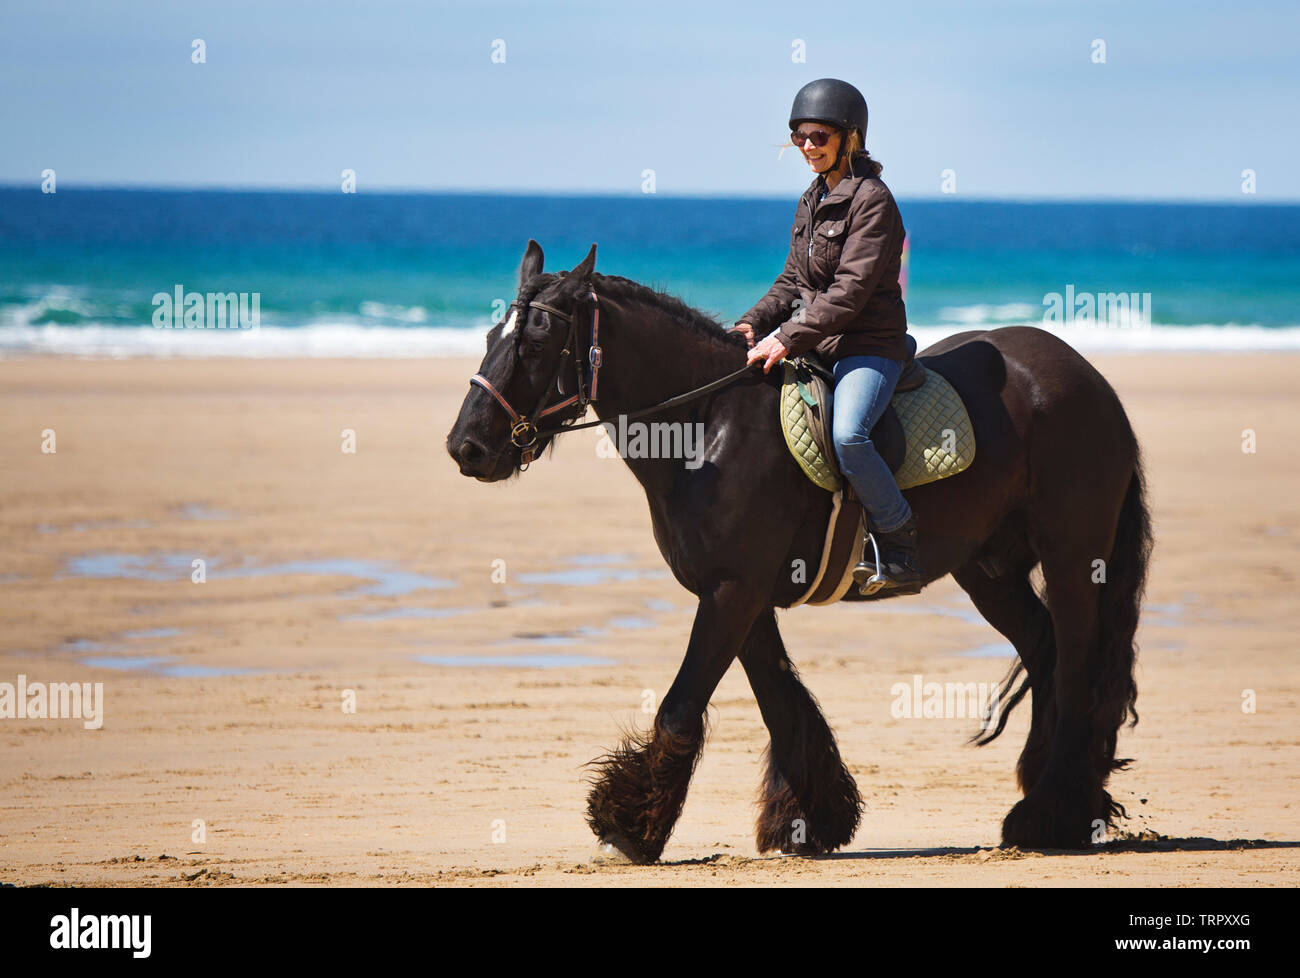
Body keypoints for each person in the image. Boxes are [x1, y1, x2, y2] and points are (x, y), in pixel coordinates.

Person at [734, 78, 922, 594]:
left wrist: (787, 337)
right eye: (799, 137)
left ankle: (900, 543)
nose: (808, 147)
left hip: (869, 347)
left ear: (850, 137)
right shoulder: (811, 198)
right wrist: (754, 323)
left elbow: (850, 292)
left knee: (848, 436)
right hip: (819, 342)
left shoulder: (873, 202)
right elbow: (794, 280)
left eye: (818, 135)